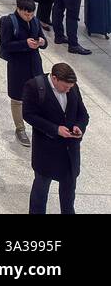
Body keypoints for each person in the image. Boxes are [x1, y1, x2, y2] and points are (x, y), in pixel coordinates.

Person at [22, 63, 88, 215]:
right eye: (65, 87)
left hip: (70, 152)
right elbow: (28, 115)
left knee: (68, 193)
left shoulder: (72, 88)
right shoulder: (34, 86)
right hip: (46, 151)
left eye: (70, 87)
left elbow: (83, 114)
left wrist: (79, 127)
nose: (68, 90)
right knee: (41, 189)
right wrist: (55, 129)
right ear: (54, 78)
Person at [0, 0, 48, 147]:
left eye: (32, 14)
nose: (29, 16)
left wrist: (42, 42)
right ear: (19, 9)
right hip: (17, 66)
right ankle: (20, 128)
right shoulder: (8, 21)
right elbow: (5, 45)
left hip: (35, 64)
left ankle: (38, 124)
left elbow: (44, 41)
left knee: (40, 95)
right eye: (26, 14)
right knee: (17, 98)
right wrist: (24, 44)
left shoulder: (34, 20)